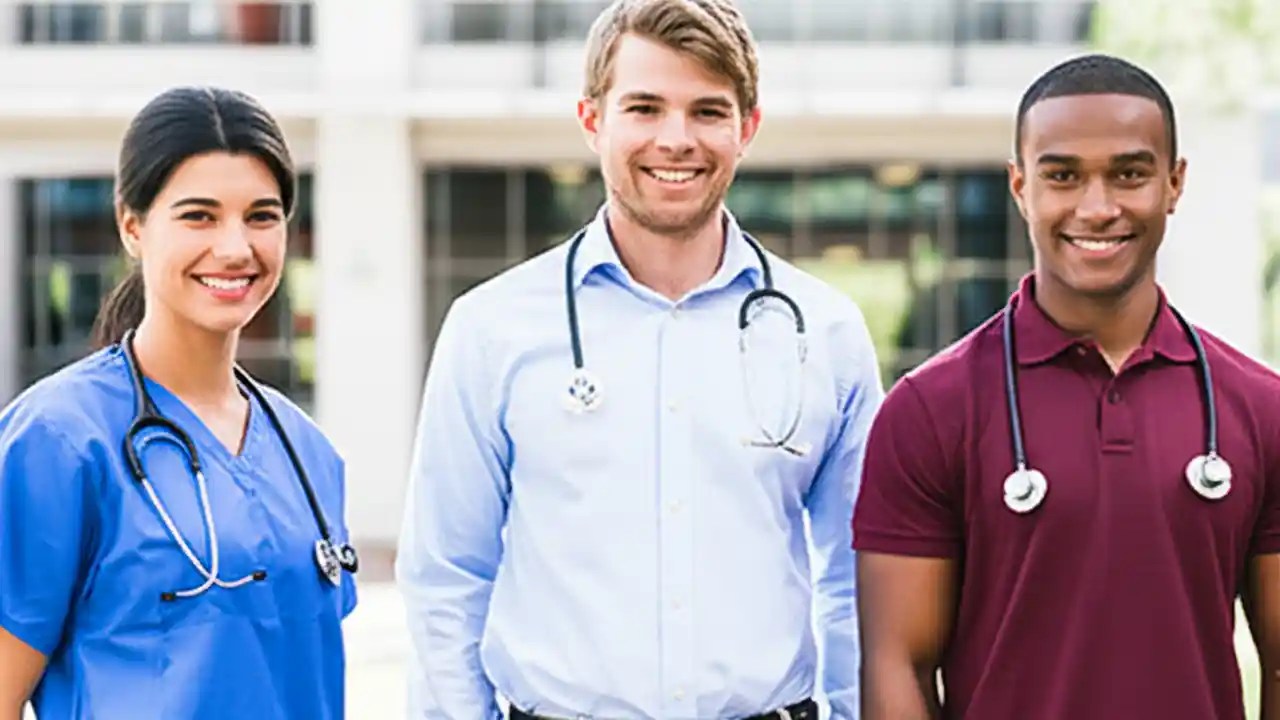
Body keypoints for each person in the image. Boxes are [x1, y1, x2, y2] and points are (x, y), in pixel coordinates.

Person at [394, 0, 884, 717]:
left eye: (708, 112)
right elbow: (445, 579)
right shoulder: (491, 329)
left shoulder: (826, 333)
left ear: (748, 127)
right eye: (645, 108)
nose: (675, 140)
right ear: (592, 119)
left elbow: (858, 580)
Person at [853, 53, 1280, 719]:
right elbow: (896, 667)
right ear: (1021, 187)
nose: (1098, 207)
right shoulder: (929, 411)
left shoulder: (1259, 409)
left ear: (1174, 183)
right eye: (1063, 176)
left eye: (1129, 174)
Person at [0, 86, 358, 720]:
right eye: (199, 216)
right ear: (132, 226)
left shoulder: (307, 453)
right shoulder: (60, 438)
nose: (235, 248)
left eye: (262, 216)